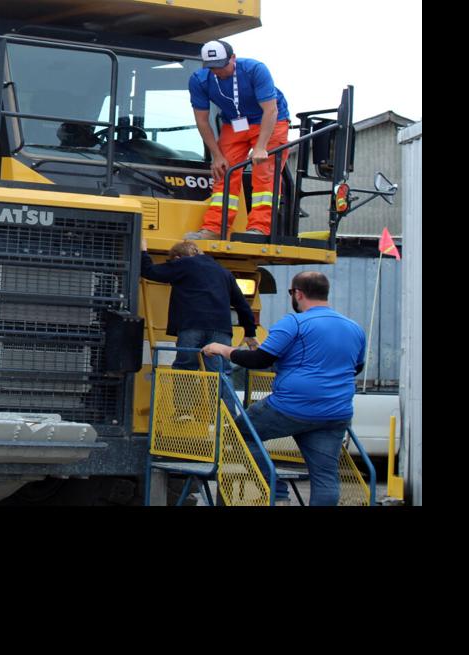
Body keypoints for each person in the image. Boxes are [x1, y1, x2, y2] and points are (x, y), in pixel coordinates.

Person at [202, 271, 364, 506]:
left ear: (297, 293)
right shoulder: (354, 328)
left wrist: (222, 349)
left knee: (238, 435)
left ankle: (276, 493)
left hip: (291, 406)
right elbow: (355, 367)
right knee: (325, 477)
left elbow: (259, 360)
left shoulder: (294, 322)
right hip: (335, 412)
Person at [186, 40, 290, 242]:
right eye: (212, 67)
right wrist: (216, 156)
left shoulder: (255, 70)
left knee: (264, 174)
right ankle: (215, 228)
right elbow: (202, 120)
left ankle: (259, 228)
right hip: (234, 123)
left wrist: (260, 147)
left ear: (233, 58)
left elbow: (271, 110)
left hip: (269, 122)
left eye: (222, 65)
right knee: (223, 171)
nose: (218, 71)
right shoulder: (199, 80)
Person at [141, 239, 259, 386]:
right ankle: (223, 409)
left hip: (191, 326)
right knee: (220, 374)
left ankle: (183, 409)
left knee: (185, 371)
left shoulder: (184, 264)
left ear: (177, 258)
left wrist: (143, 251)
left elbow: (149, 271)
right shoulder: (224, 272)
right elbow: (242, 305)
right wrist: (250, 333)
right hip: (221, 330)